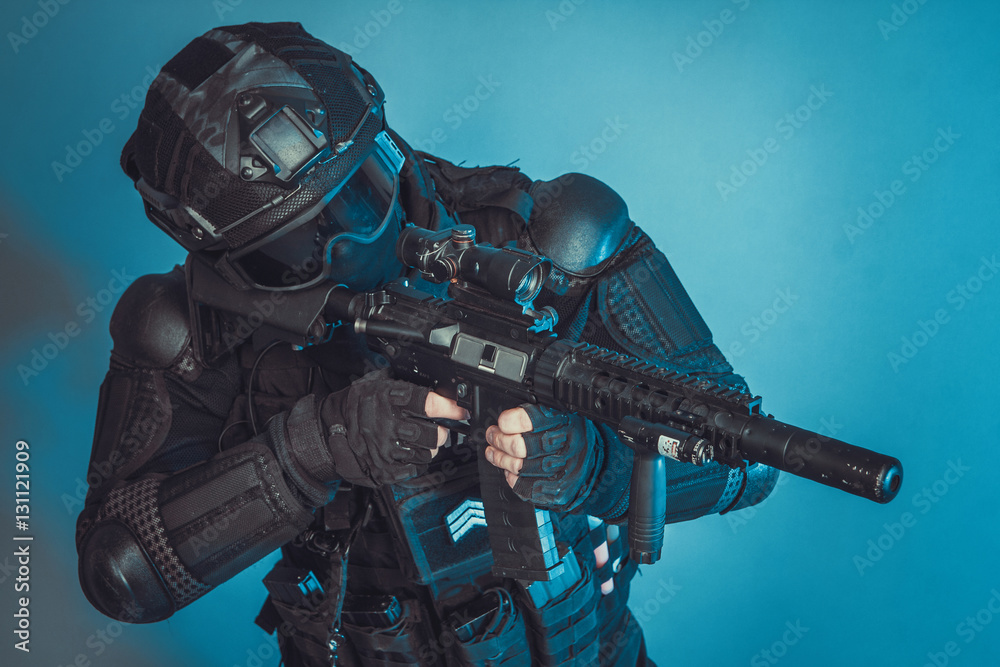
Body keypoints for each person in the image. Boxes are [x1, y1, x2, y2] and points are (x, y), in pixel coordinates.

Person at [75, 22, 778, 667]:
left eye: (362, 192)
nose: (351, 248)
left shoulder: (551, 240)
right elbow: (122, 571)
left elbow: (749, 458)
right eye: (295, 243)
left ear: (385, 142)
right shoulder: (190, 326)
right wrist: (316, 447)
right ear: (224, 256)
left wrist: (595, 463)